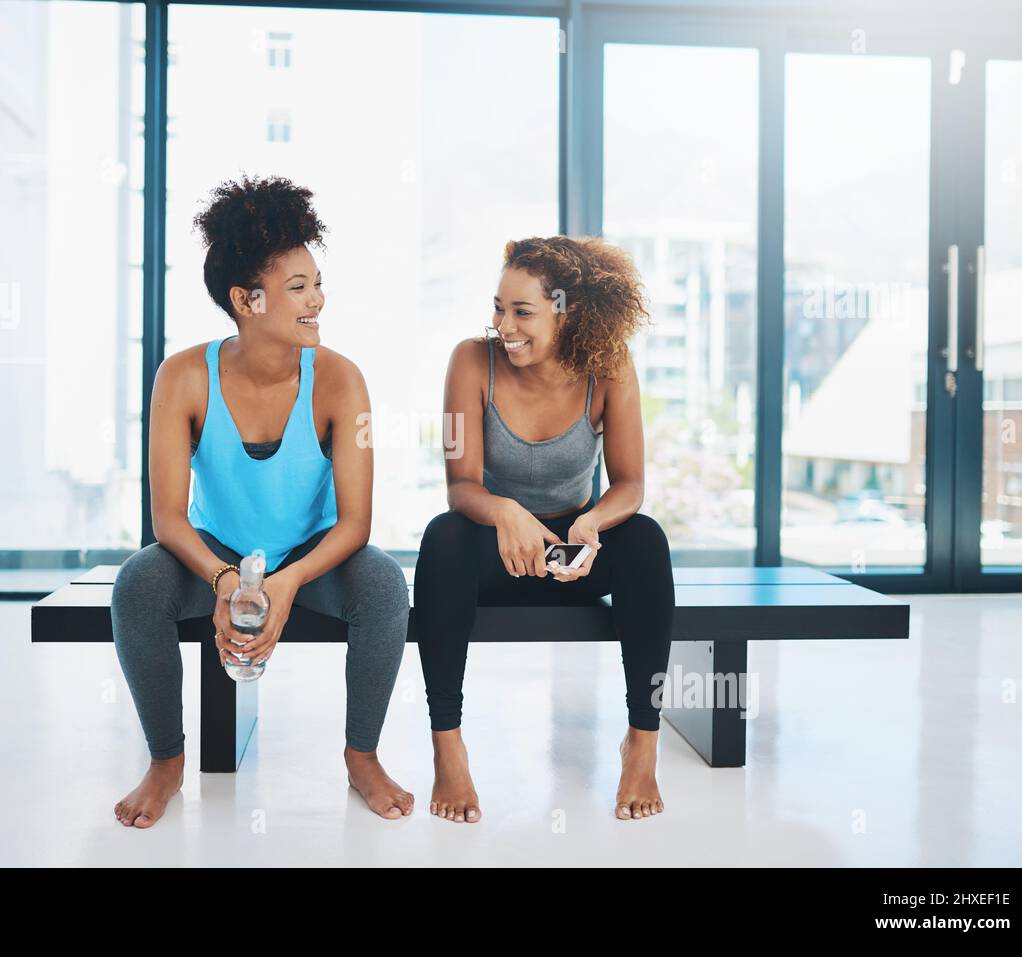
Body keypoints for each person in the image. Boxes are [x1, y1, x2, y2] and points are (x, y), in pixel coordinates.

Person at [111, 175, 412, 827]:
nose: (317, 301)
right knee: (136, 586)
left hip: (313, 554)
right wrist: (224, 580)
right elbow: (167, 516)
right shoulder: (183, 376)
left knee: (386, 588)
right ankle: (166, 760)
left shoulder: (341, 378)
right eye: (298, 287)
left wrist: (286, 582)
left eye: (317, 283)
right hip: (216, 550)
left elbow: (356, 521)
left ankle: (362, 755)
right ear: (247, 300)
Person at [415, 236, 675, 823]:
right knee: (442, 536)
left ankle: (642, 741)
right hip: (496, 552)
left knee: (646, 539)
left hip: (575, 557)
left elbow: (630, 485)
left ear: (569, 312)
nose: (504, 325)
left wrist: (591, 524)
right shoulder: (469, 360)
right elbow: (461, 486)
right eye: (499, 308)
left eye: (522, 312)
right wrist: (506, 511)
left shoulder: (610, 367)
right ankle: (448, 747)